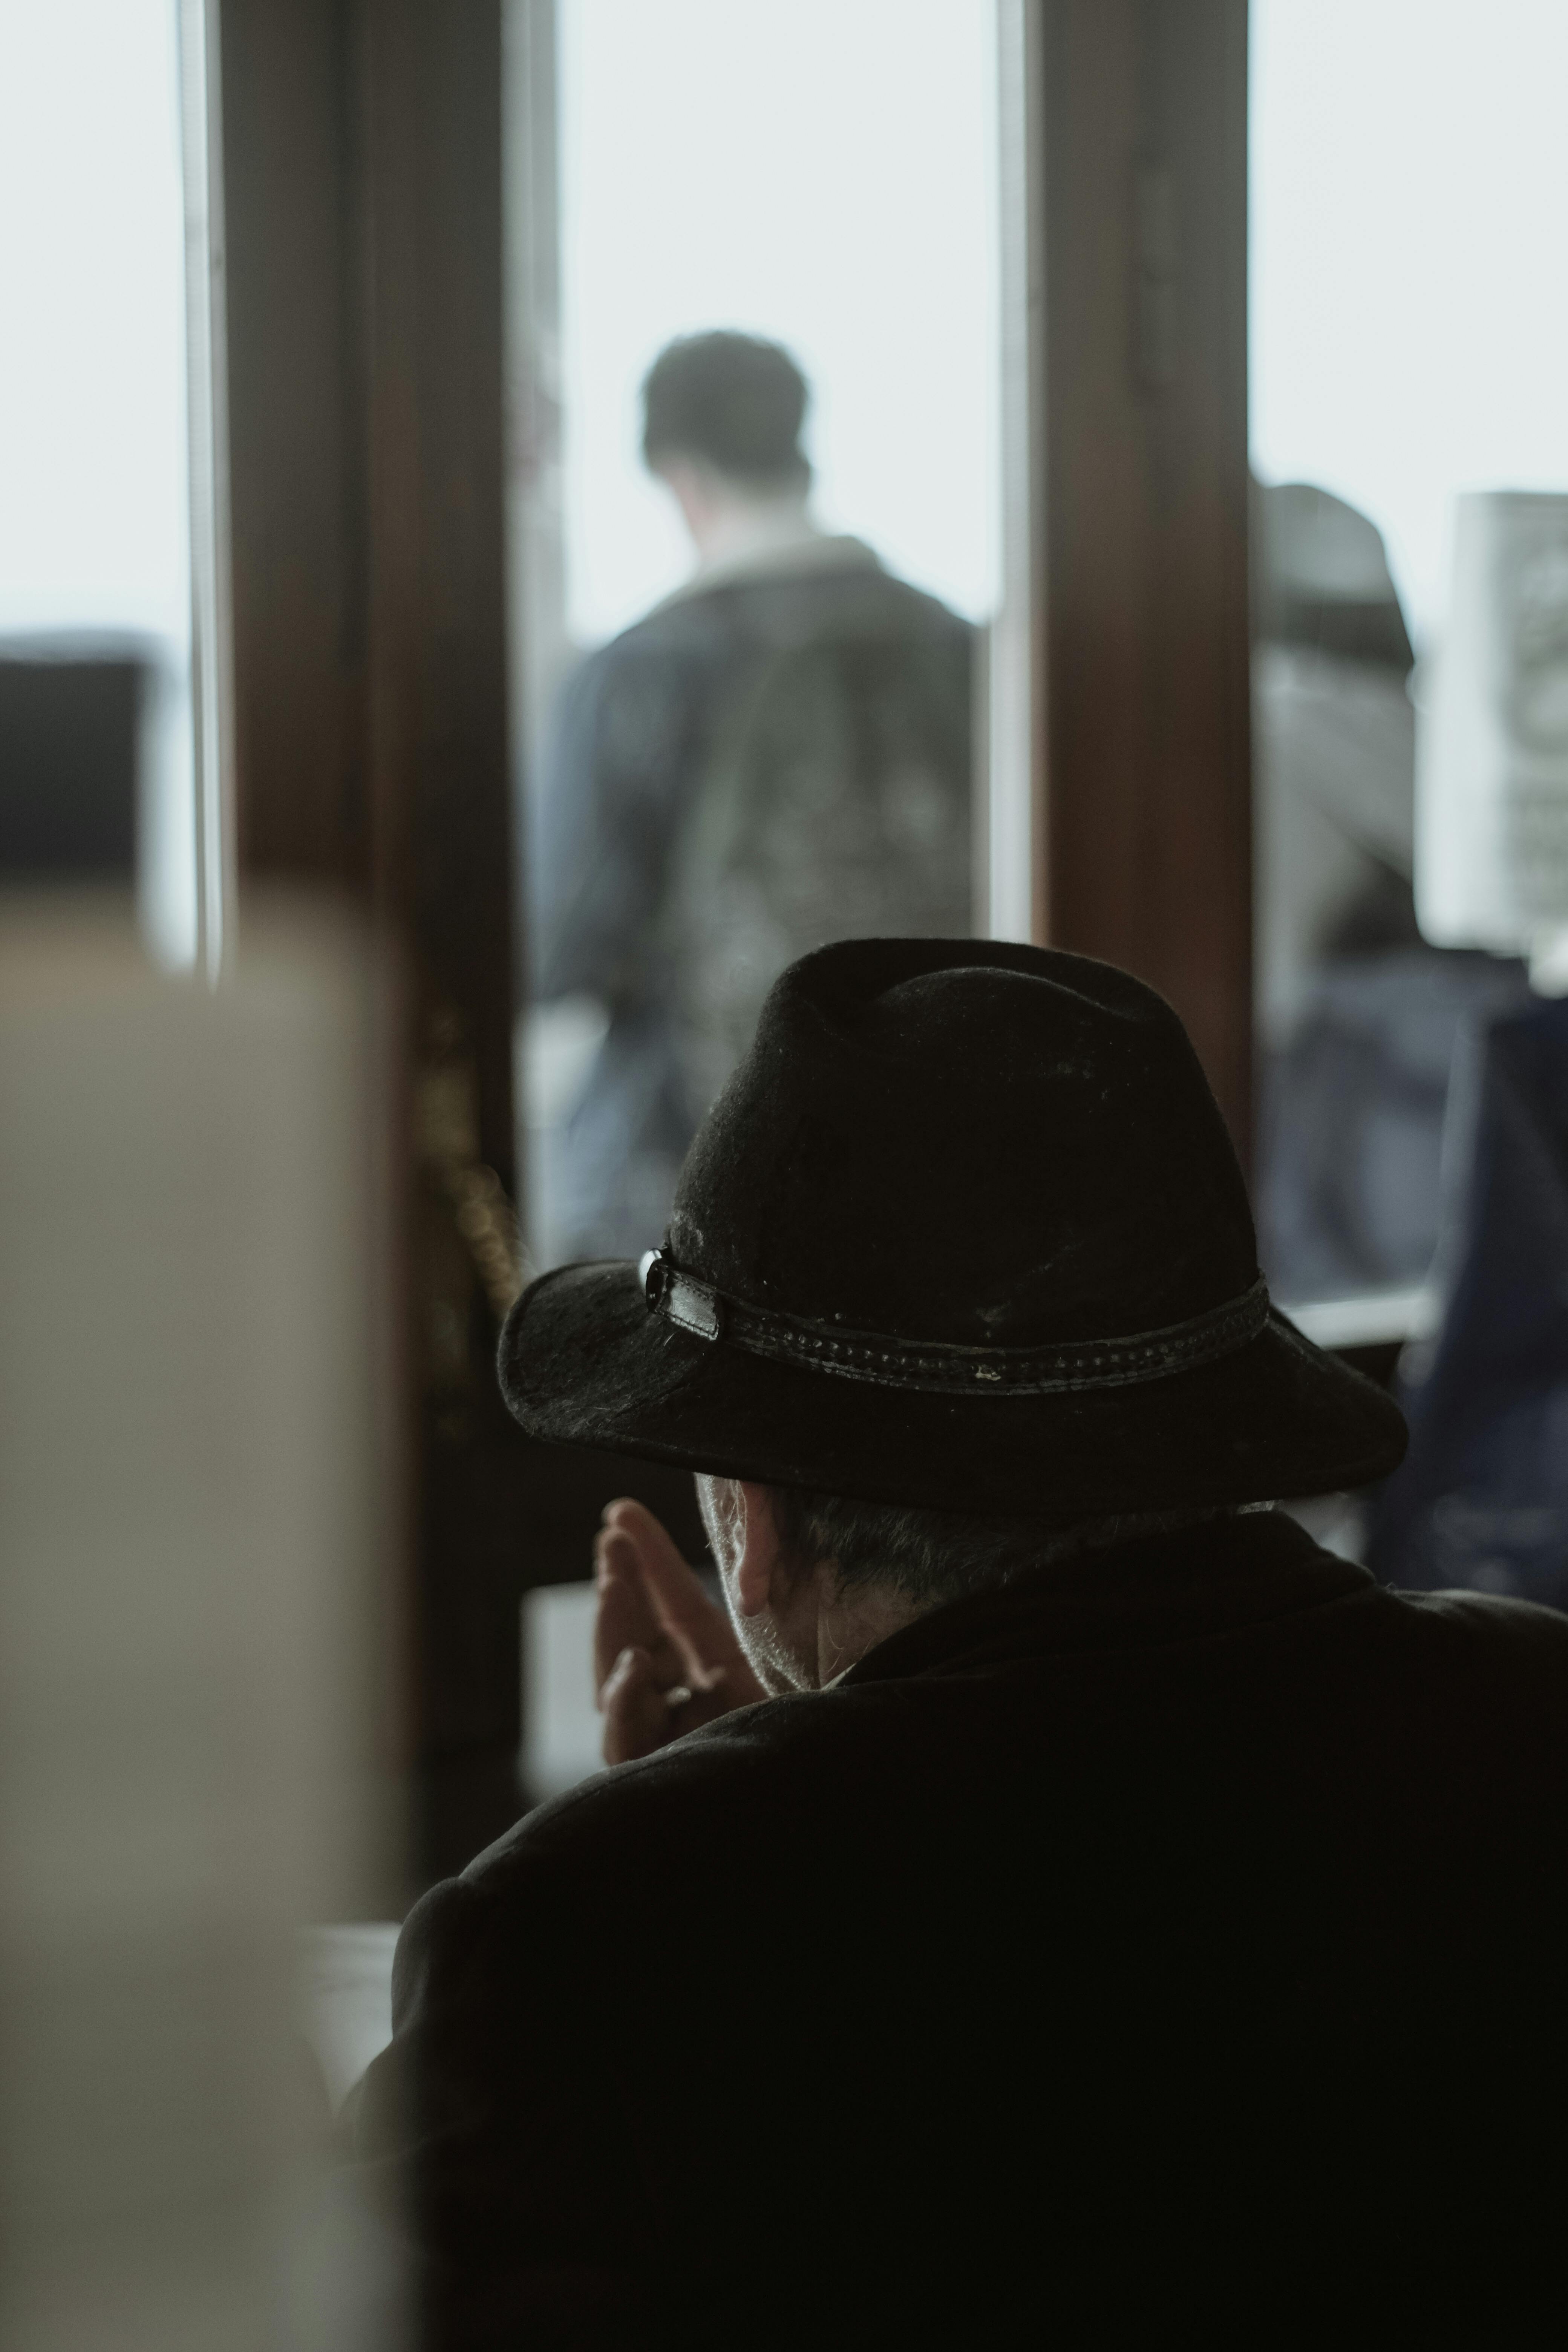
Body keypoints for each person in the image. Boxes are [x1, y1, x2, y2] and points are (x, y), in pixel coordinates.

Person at [355, 938, 1568, 2344]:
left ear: (750, 1507)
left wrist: (685, 1847)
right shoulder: (1533, 1723)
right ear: (1212, 1430)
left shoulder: (584, 1945)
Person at [528, 331, 974, 1263]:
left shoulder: (633, 675)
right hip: (940, 1150)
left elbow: (562, 951)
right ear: (797, 448)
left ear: (675, 473)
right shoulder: (958, 646)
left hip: (697, 1181)